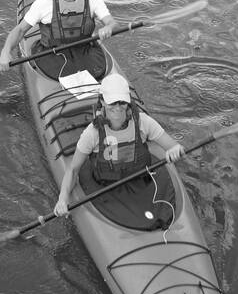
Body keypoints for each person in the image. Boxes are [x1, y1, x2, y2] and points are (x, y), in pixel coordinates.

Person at [54, 73, 184, 216]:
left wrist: (175, 151)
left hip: (140, 182)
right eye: (112, 102)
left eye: (122, 102)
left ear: (128, 102)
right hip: (106, 187)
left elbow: (174, 147)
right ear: (102, 101)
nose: (118, 107)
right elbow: (73, 170)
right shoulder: (92, 133)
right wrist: (62, 198)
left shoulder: (143, 122)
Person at [0, 0, 115, 81]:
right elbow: (20, 30)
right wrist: (5, 52)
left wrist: (108, 27)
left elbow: (112, 23)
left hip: (85, 51)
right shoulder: (44, 3)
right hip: (51, 54)